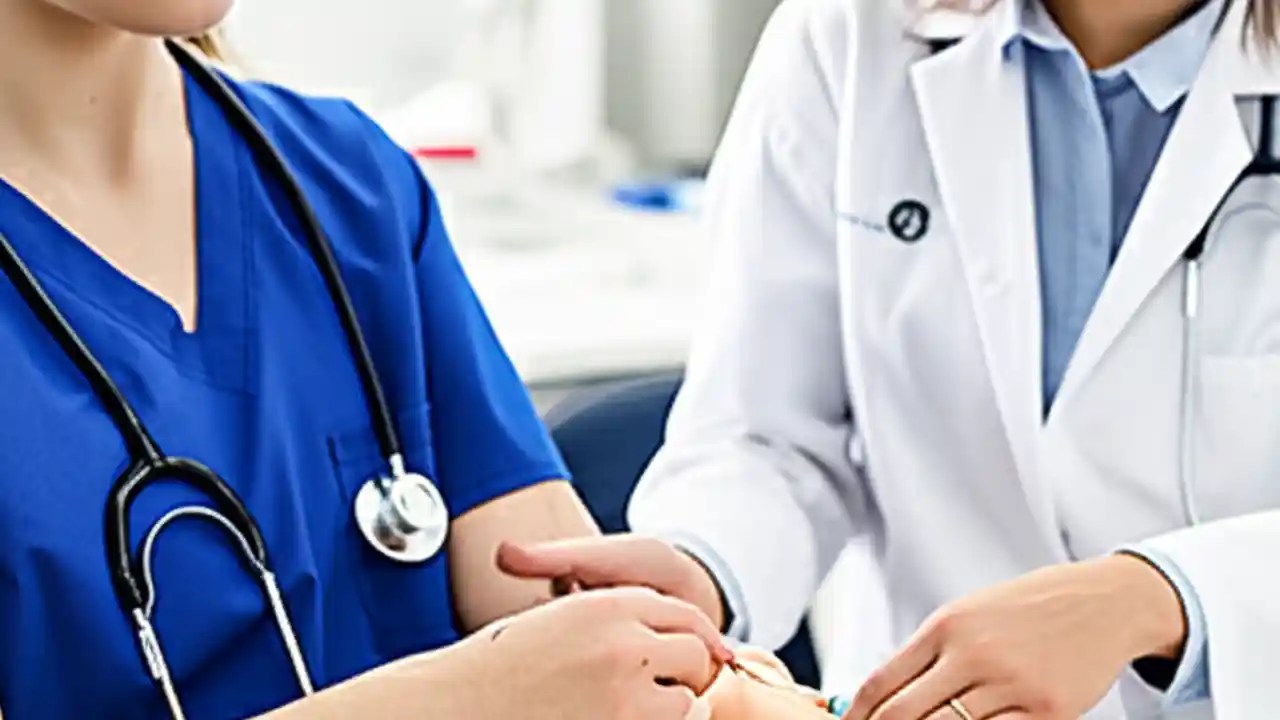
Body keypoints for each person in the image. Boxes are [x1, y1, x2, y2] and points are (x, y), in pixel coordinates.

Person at [499, 0, 1280, 717]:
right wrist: (704, 565)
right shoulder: (849, 35)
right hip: (915, 699)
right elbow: (768, 434)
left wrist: (1161, 598)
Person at [0, 1, 730, 718]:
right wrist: (464, 702)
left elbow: (578, 626)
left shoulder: (349, 185)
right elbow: (524, 679)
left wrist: (714, 679)